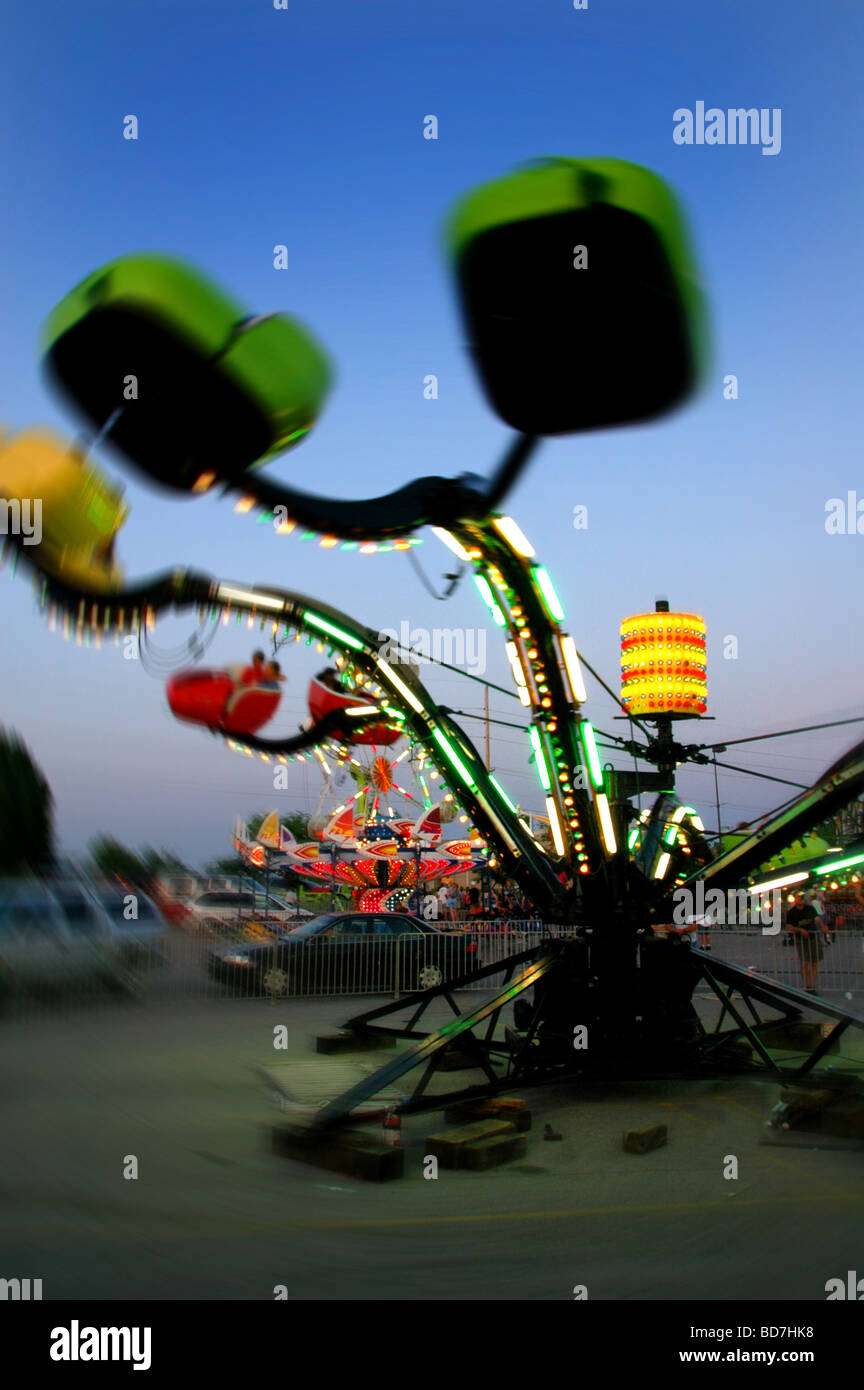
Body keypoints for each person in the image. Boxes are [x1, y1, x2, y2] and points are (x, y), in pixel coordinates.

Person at [786, 889, 830, 994]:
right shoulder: (792, 912)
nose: (800, 900)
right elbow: (789, 927)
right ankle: (807, 985)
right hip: (801, 939)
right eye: (798, 898)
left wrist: (823, 927)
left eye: (801, 897)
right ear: (795, 899)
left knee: (814, 962)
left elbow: (817, 919)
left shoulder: (810, 909)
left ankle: (812, 986)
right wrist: (800, 930)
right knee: (805, 962)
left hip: (813, 937)